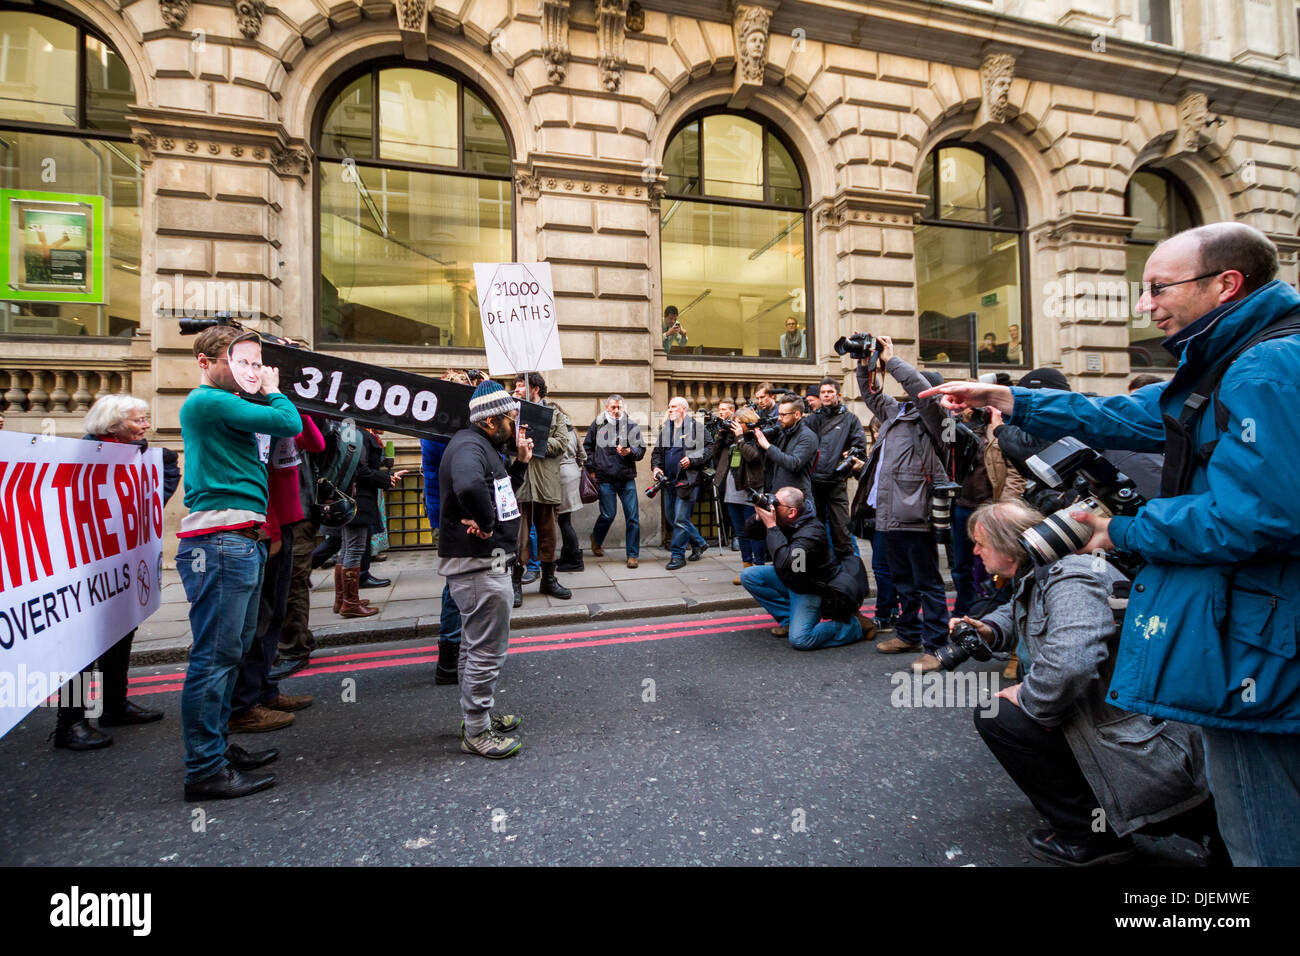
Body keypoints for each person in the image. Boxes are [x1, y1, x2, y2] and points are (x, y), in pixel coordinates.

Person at [922, 222, 1300, 866]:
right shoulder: (1227, 362)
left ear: (1225, 285)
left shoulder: (1265, 366)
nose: (1146, 304)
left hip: (1266, 636)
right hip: (1253, 628)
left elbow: (1263, 513)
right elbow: (1124, 414)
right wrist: (1010, 398)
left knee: (1263, 829)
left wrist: (1120, 530)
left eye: (1158, 288)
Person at [959, 501, 1223, 866]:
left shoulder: (1072, 575)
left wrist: (1029, 697)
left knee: (999, 715)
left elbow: (1072, 659)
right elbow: (1025, 609)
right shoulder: (1045, 574)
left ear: (1009, 545)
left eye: (980, 542)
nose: (975, 551)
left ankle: (1091, 835)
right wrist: (989, 630)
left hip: (1140, 750)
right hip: (1120, 730)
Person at [177, 325, 302, 800]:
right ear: (207, 363)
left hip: (239, 538)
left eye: (254, 362)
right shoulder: (207, 400)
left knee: (230, 653)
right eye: (241, 361)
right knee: (214, 658)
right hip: (222, 543)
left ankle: (218, 747)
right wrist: (272, 390)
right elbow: (289, 422)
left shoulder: (231, 407)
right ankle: (204, 769)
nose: (250, 371)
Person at [50, 396, 175, 750]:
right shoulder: (82, 457)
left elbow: (157, 490)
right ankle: (69, 723)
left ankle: (113, 706)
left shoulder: (137, 456)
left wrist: (159, 467)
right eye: (139, 420)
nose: (146, 425)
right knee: (81, 646)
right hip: (85, 566)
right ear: (112, 426)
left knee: (121, 631)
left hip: (120, 561)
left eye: (146, 418)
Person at [438, 381, 532, 759]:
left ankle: (478, 718)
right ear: (491, 421)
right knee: (486, 651)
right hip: (479, 564)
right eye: (511, 418)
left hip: (487, 562)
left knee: (473, 647)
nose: (515, 424)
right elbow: (470, 486)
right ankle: (477, 731)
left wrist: (521, 463)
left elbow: (501, 492)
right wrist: (487, 523)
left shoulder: (483, 447)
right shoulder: (468, 446)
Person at [850, 335, 951, 673]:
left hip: (916, 513)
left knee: (927, 583)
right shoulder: (897, 415)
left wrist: (892, 361)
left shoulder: (939, 422)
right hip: (888, 514)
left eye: (916, 390)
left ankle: (937, 648)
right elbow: (870, 395)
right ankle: (909, 633)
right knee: (902, 580)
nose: (908, 392)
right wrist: (865, 364)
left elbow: (921, 390)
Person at [227, 413, 322, 732]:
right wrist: (272, 531)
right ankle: (243, 705)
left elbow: (315, 443)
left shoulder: (283, 419)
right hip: (266, 530)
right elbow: (255, 478)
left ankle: (266, 691)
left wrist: (300, 409)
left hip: (288, 522)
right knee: (258, 620)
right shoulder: (252, 420)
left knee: (276, 614)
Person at [739, 487, 872, 649]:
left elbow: (787, 563)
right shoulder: (784, 518)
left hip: (810, 587)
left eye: (776, 503)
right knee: (749, 576)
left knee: (801, 639)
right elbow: (750, 533)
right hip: (793, 578)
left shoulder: (811, 534)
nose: (772, 506)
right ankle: (789, 619)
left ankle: (855, 625)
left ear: (792, 512)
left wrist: (772, 526)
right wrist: (760, 518)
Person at [421, 369, 469, 685]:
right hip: (453, 517)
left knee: (462, 582)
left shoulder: (439, 426)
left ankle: (456, 650)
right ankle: (449, 658)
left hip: (447, 514)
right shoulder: (445, 431)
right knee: (456, 585)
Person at [511, 372, 572, 605]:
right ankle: (515, 583)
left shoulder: (554, 414)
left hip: (546, 484)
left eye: (520, 386)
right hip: (522, 484)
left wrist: (535, 444)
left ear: (535, 389)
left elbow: (563, 442)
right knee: (519, 537)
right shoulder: (513, 412)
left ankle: (548, 580)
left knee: (548, 537)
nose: (516, 390)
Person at [808, 376, 866, 562]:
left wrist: (846, 466)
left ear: (838, 395)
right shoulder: (812, 419)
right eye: (823, 392)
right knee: (815, 530)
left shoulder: (850, 419)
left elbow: (860, 449)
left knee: (842, 530)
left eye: (830, 392)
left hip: (836, 483)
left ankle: (852, 573)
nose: (826, 395)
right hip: (813, 483)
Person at [584, 394, 645, 569]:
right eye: (613, 407)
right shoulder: (598, 424)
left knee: (632, 517)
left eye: (619, 407)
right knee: (608, 515)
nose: (617, 411)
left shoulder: (632, 426)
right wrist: (592, 470)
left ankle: (632, 555)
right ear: (607, 408)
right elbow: (587, 447)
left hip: (626, 479)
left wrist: (630, 452)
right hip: (605, 478)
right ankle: (596, 538)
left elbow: (640, 450)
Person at [652, 397, 711, 571]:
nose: (669, 410)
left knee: (679, 519)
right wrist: (656, 468)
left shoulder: (697, 428)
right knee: (673, 518)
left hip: (687, 481)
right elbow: (657, 452)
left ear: (683, 409)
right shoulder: (666, 429)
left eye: (673, 407)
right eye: (669, 406)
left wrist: (693, 459)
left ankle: (678, 556)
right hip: (668, 482)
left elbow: (710, 448)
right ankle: (699, 542)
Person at [713, 406, 768, 585]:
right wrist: (722, 434)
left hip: (750, 490)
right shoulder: (731, 438)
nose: (734, 425)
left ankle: (759, 571)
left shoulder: (757, 437)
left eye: (738, 423)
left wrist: (739, 438)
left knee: (755, 532)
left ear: (747, 423)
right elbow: (714, 453)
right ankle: (747, 569)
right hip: (732, 490)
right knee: (741, 533)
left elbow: (753, 457)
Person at [755, 395, 817, 507]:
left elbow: (794, 463)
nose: (779, 418)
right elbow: (769, 462)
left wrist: (768, 447)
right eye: (779, 414)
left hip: (797, 501)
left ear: (797, 415)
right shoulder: (784, 432)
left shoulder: (807, 436)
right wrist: (760, 445)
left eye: (783, 415)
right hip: (778, 496)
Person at [554, 396, 589, 572]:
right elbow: (583, 456)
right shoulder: (571, 430)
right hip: (573, 473)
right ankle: (567, 556)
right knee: (565, 519)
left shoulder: (555, 431)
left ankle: (575, 560)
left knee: (564, 521)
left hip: (562, 477)